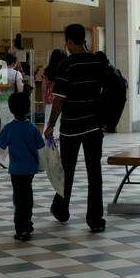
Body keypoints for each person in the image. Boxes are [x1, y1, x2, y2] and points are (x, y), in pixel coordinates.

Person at [42, 24, 109, 233]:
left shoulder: (67, 65)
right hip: (94, 125)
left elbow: (59, 99)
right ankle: (95, 219)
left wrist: (51, 124)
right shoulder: (98, 60)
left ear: (70, 41)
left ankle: (62, 210)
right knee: (94, 171)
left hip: (71, 127)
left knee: (67, 170)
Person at [0, 90, 44, 242]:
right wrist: (42, 166)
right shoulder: (33, 128)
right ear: (28, 108)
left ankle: (21, 229)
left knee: (19, 198)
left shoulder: (9, 128)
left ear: (10, 109)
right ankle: (26, 223)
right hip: (30, 169)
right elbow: (41, 149)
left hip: (16, 170)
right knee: (27, 197)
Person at [0, 52, 24, 168]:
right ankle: (3, 158)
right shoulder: (17, 74)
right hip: (13, 107)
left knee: (6, 131)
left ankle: (4, 153)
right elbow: (21, 90)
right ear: (14, 63)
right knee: (14, 133)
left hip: (1, 106)